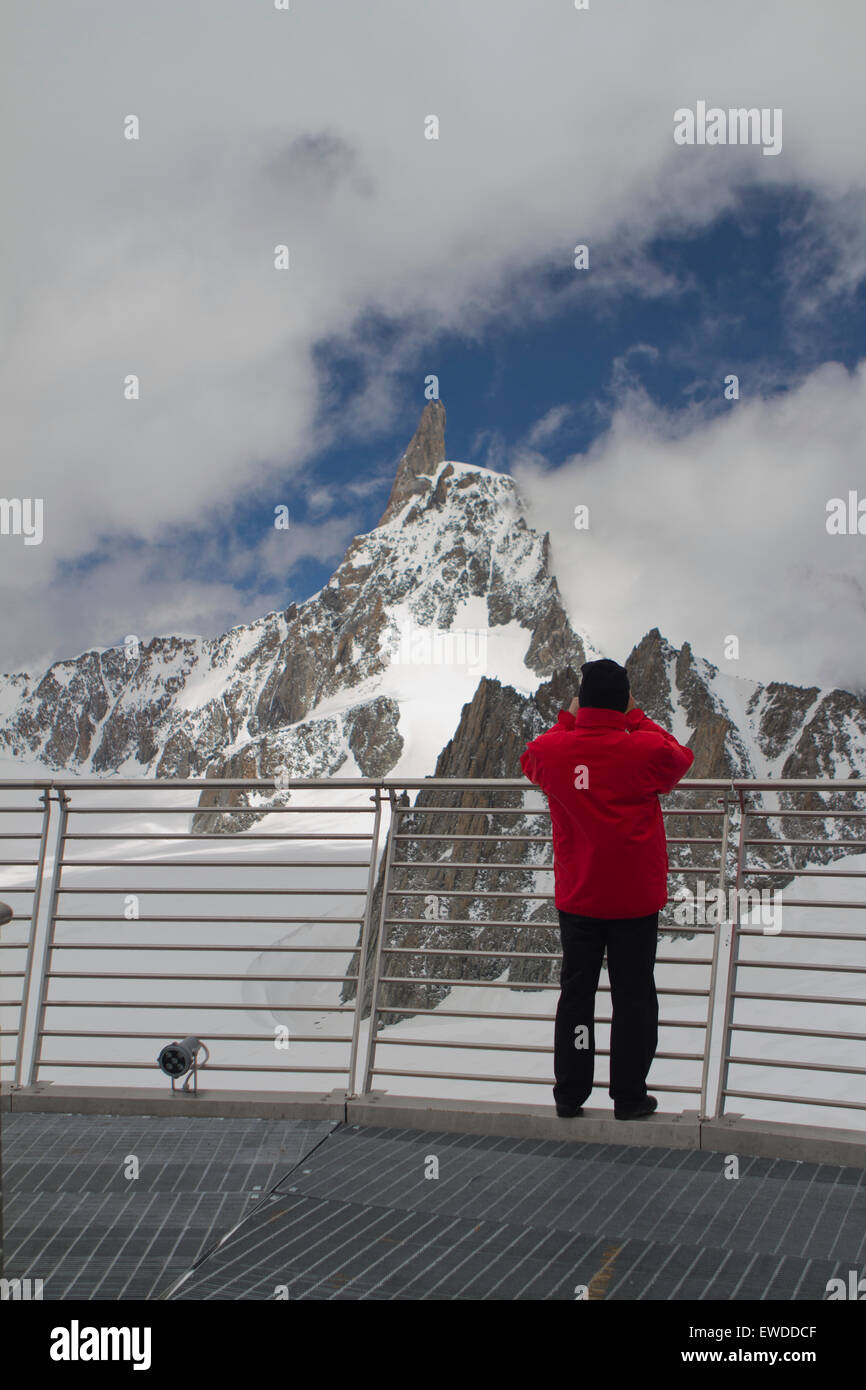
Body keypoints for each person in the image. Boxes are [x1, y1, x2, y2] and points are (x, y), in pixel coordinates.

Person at [520, 658, 694, 1120]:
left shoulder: (557, 753)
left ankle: (570, 1094)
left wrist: (571, 719)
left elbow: (532, 753)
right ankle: (629, 1096)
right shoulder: (640, 750)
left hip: (579, 898)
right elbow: (678, 756)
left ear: (584, 701)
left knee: (577, 996)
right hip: (635, 901)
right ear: (623, 704)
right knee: (633, 996)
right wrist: (635, 717)